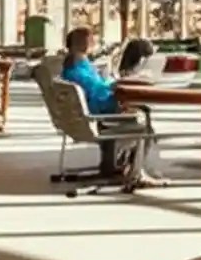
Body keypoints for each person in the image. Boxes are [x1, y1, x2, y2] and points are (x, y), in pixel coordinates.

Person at [60, 29, 165, 186]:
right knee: (144, 121)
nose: (94, 42)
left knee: (139, 110)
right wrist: (117, 87)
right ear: (85, 44)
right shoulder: (80, 70)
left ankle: (114, 165)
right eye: (91, 39)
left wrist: (112, 84)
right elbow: (99, 95)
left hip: (87, 117)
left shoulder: (73, 67)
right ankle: (136, 172)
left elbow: (96, 88)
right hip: (99, 116)